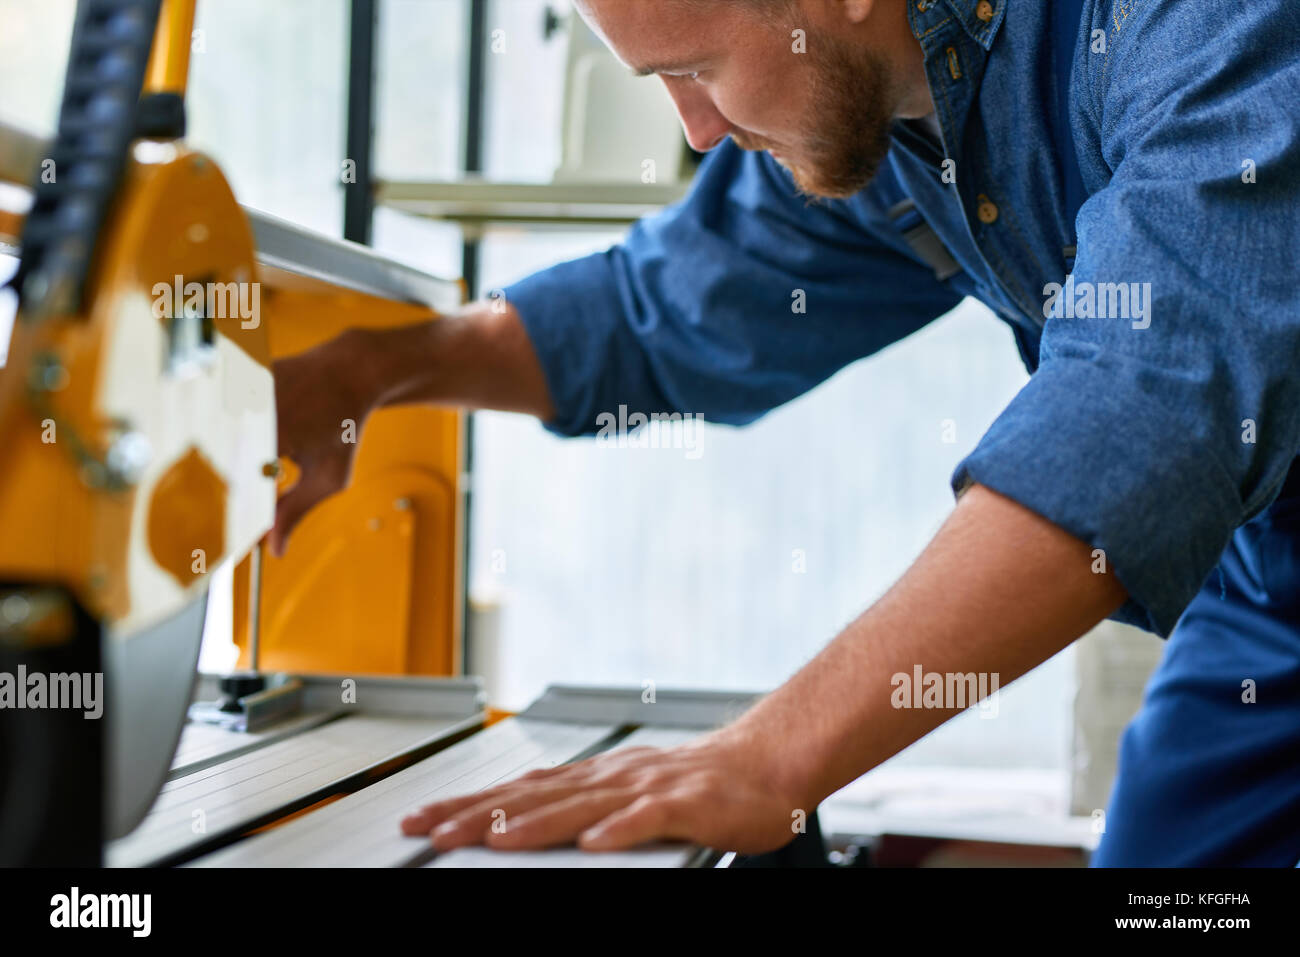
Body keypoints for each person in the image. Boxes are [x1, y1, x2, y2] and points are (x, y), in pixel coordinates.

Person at [270, 0, 1300, 865]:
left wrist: (772, 754)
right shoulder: (883, 109)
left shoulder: (1201, 24)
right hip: (1265, 596)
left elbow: (1152, 403)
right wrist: (383, 368)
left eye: (697, 69)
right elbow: (662, 312)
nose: (696, 133)